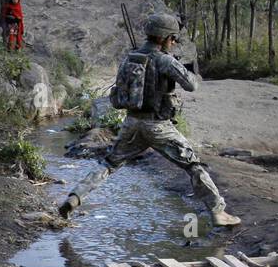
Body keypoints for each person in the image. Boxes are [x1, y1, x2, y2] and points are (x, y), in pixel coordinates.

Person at [98, 12, 240, 227]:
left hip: (132, 123)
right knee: (193, 166)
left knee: (109, 164)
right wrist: (188, 70)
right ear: (164, 38)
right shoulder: (165, 60)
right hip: (158, 126)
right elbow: (192, 85)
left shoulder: (131, 57)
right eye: (173, 38)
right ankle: (218, 212)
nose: (173, 43)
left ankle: (75, 198)